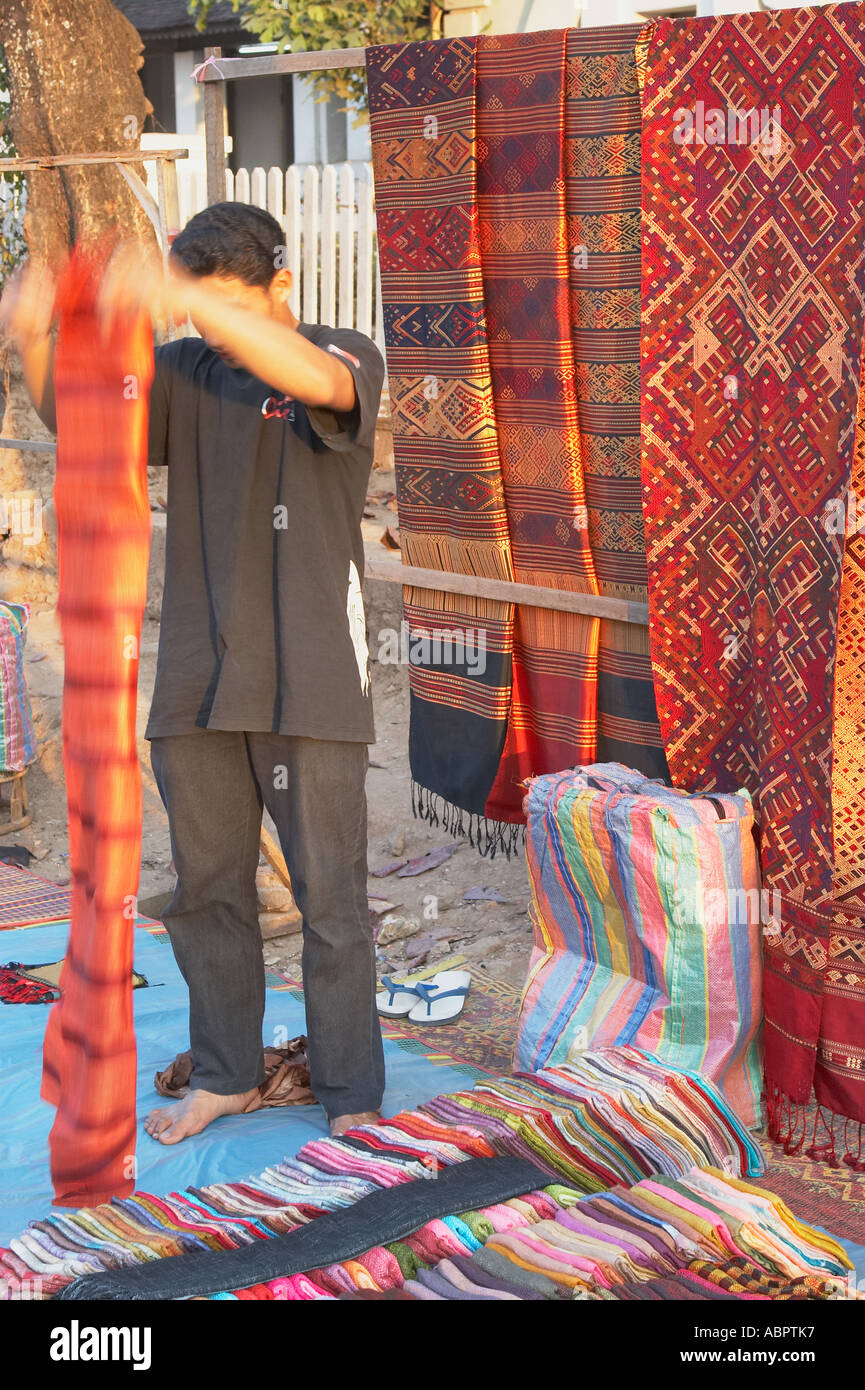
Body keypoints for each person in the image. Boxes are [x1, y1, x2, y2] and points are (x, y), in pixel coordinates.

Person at [1, 202, 387, 1141]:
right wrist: (31, 338)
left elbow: (303, 375)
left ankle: (352, 1099)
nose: (195, 322)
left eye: (219, 305)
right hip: (197, 681)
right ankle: (228, 1073)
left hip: (314, 680)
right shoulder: (181, 371)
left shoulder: (340, 355)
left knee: (330, 897)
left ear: (279, 290)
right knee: (206, 893)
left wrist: (182, 296)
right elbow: (86, 423)